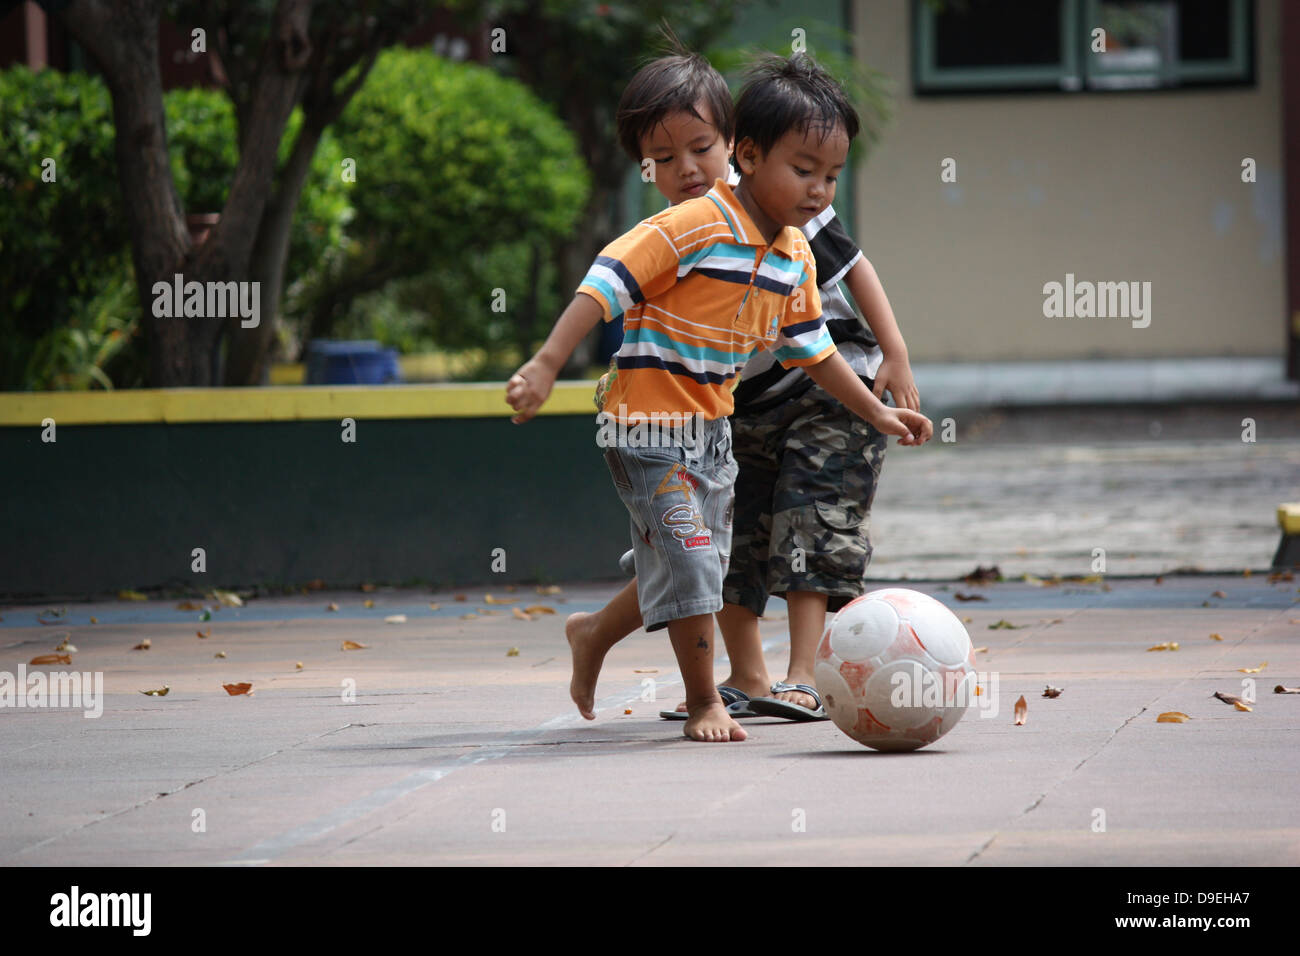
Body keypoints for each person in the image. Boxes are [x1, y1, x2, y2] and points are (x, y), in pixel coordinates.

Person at [506, 52, 931, 742]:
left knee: (691, 562)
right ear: (751, 154)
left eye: (831, 176)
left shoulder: (794, 251)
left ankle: (592, 636)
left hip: (712, 430)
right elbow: (607, 277)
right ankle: (707, 699)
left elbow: (814, 352)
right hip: (646, 427)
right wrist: (548, 362)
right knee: (698, 558)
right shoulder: (695, 223)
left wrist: (878, 410)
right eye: (804, 171)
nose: (820, 189)